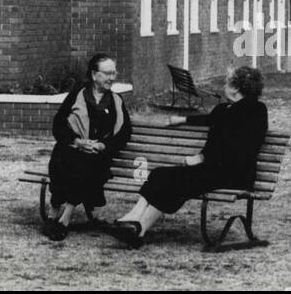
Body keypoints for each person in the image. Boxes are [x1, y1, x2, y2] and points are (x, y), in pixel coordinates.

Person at [111, 65, 267, 248]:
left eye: (227, 82)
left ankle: (138, 228)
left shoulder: (256, 111)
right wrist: (183, 120)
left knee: (178, 180)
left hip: (235, 174)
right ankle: (135, 221)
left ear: (235, 88)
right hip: (214, 171)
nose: (224, 86)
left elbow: (240, 149)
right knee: (160, 174)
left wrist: (202, 157)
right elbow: (209, 119)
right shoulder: (225, 108)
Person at [43, 53, 132, 240]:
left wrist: (102, 145)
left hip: (99, 157)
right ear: (94, 75)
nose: (112, 78)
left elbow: (124, 132)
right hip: (74, 149)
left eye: (113, 73)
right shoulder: (78, 95)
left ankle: (63, 218)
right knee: (62, 158)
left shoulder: (116, 101)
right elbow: (59, 124)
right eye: (107, 73)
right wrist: (77, 141)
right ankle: (54, 209)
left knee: (87, 165)